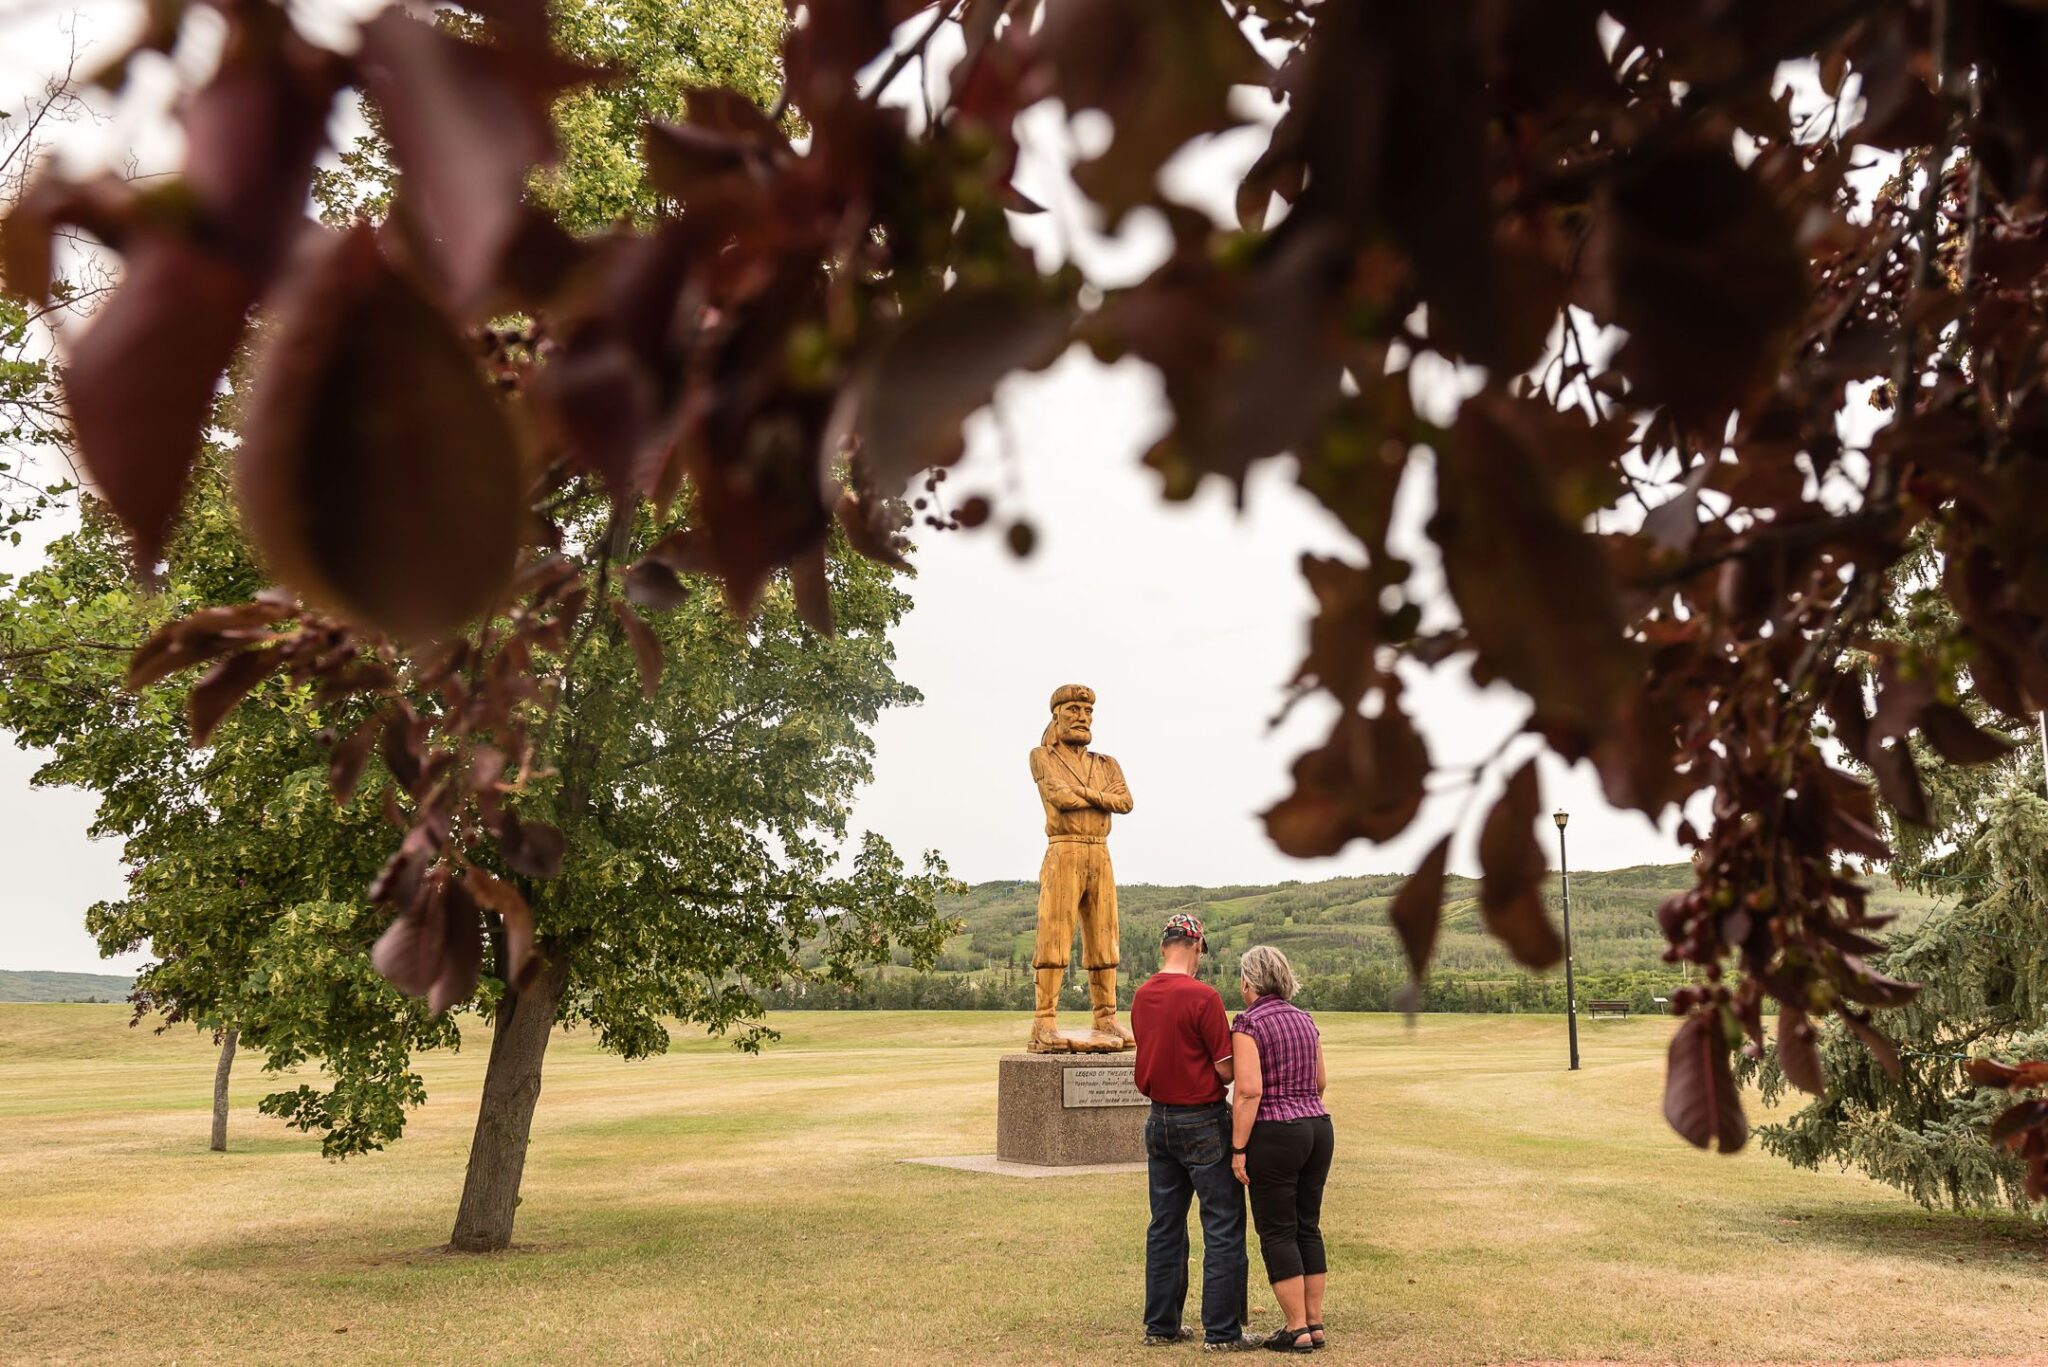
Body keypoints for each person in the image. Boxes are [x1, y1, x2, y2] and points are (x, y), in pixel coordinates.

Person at [1131, 912, 1258, 1352]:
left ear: (1164, 946)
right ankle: (1222, 1332)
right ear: (1197, 947)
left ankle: (1161, 1325)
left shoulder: (1141, 995)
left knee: (1165, 1225)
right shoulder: (1203, 998)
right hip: (1202, 1119)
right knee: (1222, 1224)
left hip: (1158, 1119)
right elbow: (1225, 1069)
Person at [1229, 945, 1333, 1354]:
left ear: (1247, 982)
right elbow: (1321, 1081)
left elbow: (1249, 1091)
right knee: (1308, 1225)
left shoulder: (1248, 1023)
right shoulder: (1306, 1020)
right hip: (1318, 1128)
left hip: (1275, 1131)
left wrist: (1239, 1148)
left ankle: (1295, 1328)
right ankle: (1315, 1322)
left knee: (1276, 1231)